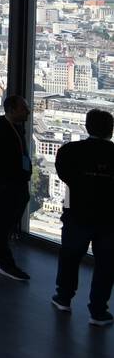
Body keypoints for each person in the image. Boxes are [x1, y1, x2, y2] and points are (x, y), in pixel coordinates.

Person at [52, 108, 114, 326]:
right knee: (106, 265)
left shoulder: (70, 151)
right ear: (110, 130)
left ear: (87, 127)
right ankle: (98, 310)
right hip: (109, 219)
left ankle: (63, 298)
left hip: (76, 212)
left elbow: (63, 174)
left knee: (70, 257)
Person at [0, 95, 32, 281]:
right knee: (5, 222)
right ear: (12, 110)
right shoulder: (1, 130)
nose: (28, 111)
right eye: (24, 108)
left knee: (5, 222)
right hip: (7, 183)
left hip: (12, 182)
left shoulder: (13, 127)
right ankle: (6, 263)